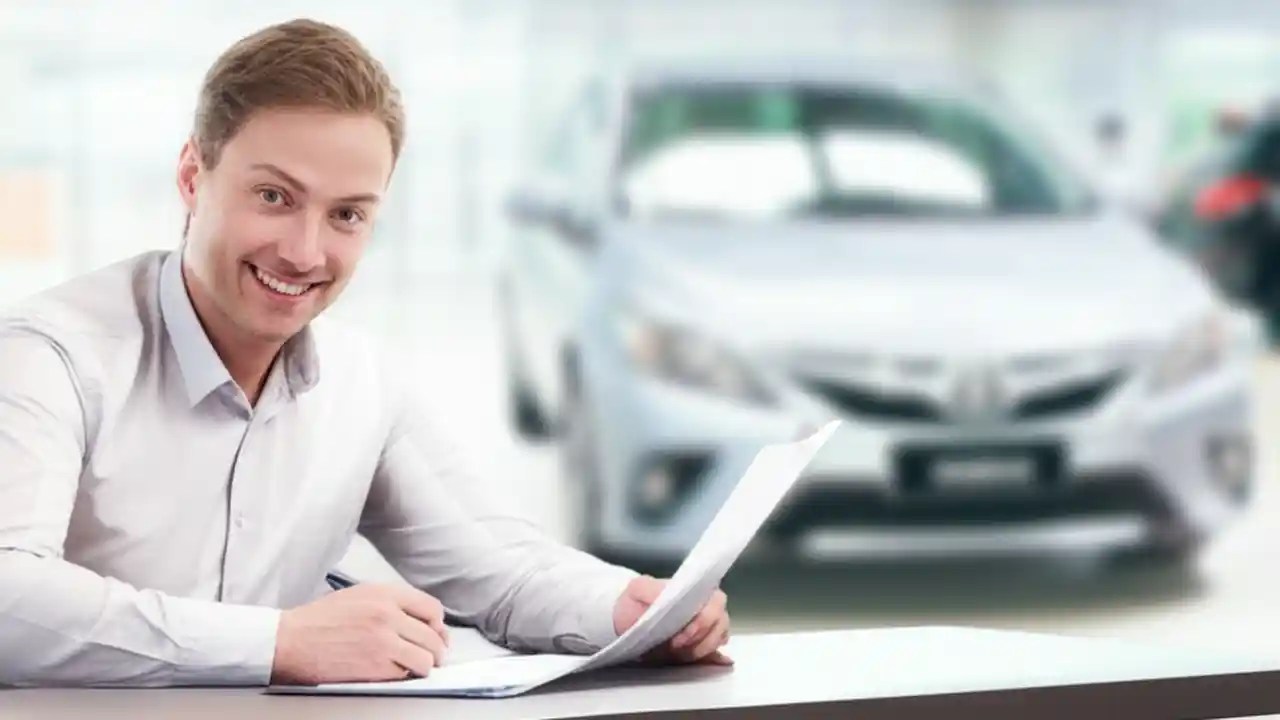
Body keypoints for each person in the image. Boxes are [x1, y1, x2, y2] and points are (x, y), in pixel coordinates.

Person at [0, 19, 730, 687]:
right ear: (193, 177)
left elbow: (499, 569)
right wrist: (279, 642)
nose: (306, 251)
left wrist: (630, 610)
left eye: (347, 214)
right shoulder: (52, 354)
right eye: (274, 197)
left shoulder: (360, 384)